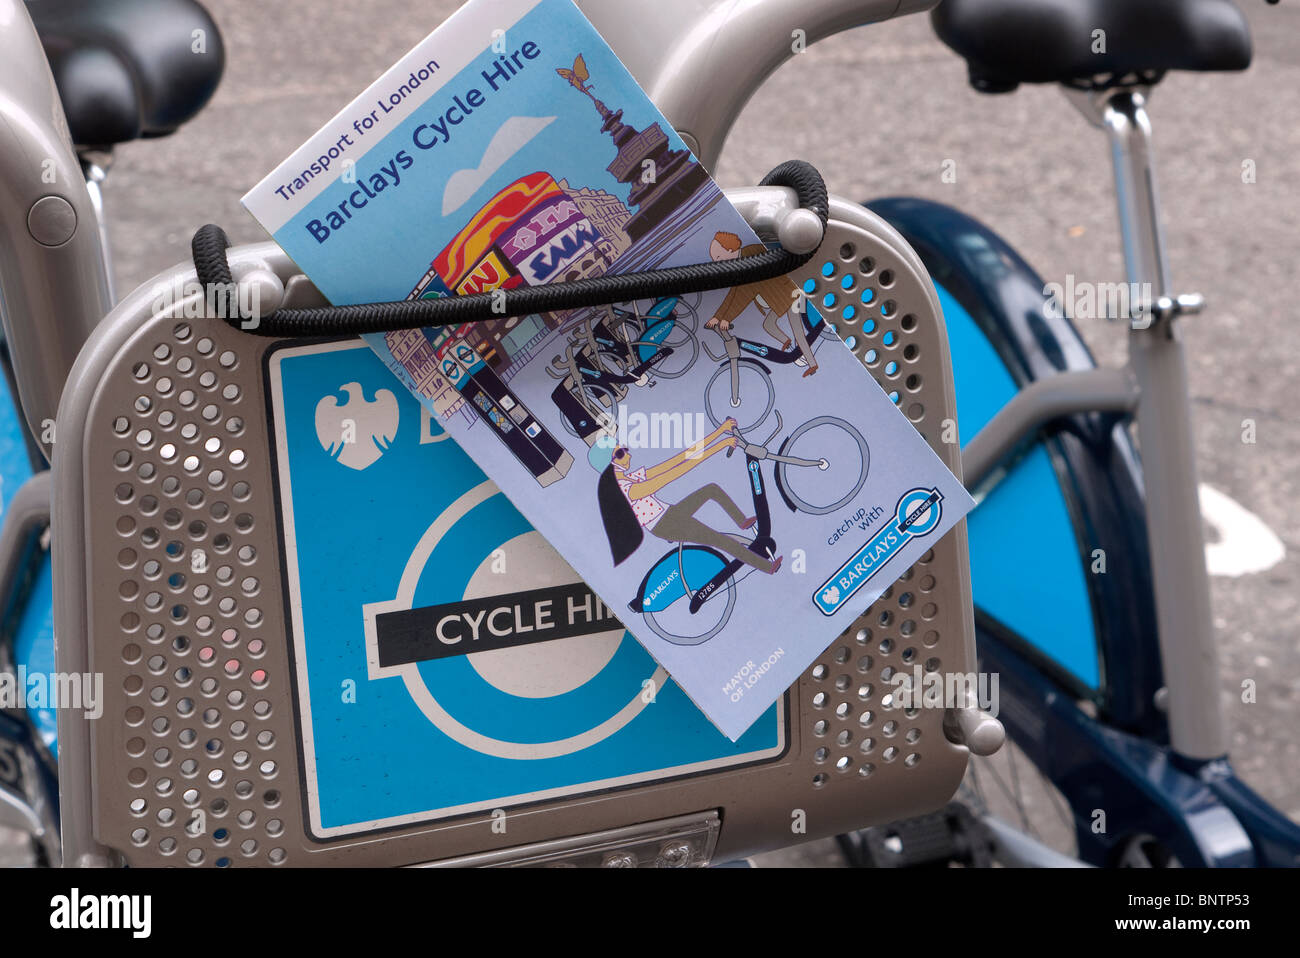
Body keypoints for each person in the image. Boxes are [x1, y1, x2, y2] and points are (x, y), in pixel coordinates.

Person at [591, 419, 782, 574]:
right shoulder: (627, 490)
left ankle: (741, 521)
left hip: (670, 514)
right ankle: (767, 567)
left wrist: (719, 431)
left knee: (711, 490)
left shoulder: (631, 477)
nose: (628, 453)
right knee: (722, 541)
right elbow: (678, 471)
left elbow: (681, 458)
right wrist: (720, 445)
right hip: (665, 525)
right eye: (621, 452)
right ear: (611, 465)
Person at [704, 231, 819, 377]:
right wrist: (717, 317)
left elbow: (743, 295)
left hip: (790, 295)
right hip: (779, 299)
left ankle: (812, 364)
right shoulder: (738, 263)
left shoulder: (749, 258)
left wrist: (726, 319)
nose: (716, 262)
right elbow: (733, 292)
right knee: (768, 325)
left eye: (718, 257)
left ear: (730, 250)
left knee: (798, 331)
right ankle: (787, 343)